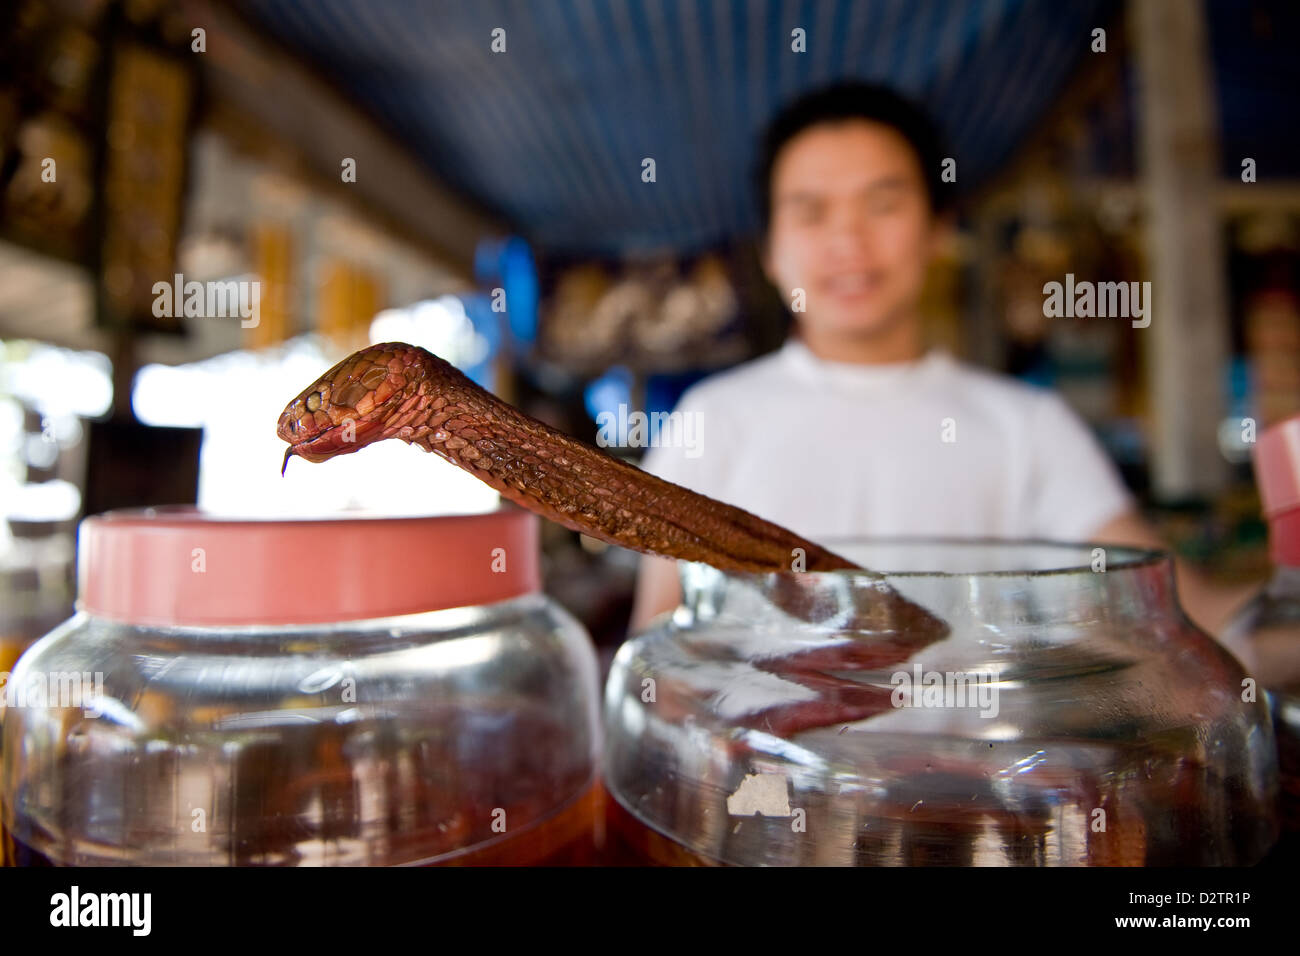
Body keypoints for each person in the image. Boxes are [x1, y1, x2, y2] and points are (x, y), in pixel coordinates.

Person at [630, 82, 1249, 634]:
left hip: (975, 765)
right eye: (812, 211)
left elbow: (1181, 614)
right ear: (770, 253)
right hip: (760, 769)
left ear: (938, 229)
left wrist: (1272, 620)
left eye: (883, 203)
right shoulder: (711, 420)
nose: (849, 241)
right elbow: (656, 645)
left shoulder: (1027, 426)